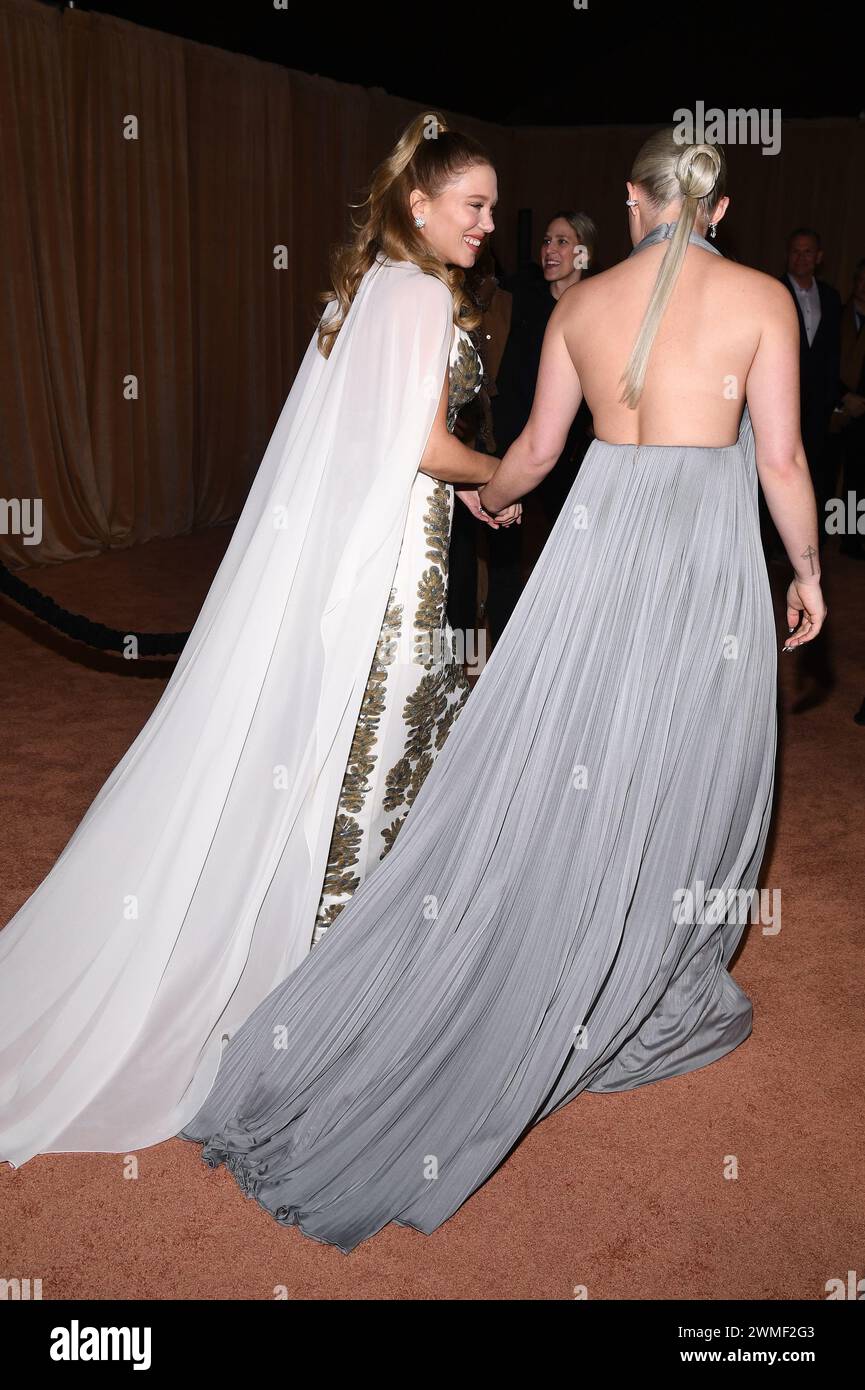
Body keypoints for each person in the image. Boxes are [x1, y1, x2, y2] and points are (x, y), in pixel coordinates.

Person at [178, 129, 826, 1254]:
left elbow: (529, 452)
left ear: (632, 200)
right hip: (704, 560)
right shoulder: (764, 299)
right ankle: (647, 965)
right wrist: (810, 571)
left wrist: (489, 501)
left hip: (596, 547)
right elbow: (777, 460)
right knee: (687, 757)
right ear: (715, 211)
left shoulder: (581, 310)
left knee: (575, 745)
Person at [0, 111, 519, 1168]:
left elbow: (379, 438)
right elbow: (419, 442)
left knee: (335, 752)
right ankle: (340, 973)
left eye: (494, 208)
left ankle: (327, 947)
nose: (488, 223)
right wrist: (499, 479)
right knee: (374, 753)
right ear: (420, 204)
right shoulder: (417, 291)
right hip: (393, 569)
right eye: (473, 205)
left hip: (370, 539)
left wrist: (455, 488)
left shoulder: (374, 281)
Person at [485, 212, 598, 645]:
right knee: (503, 553)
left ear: (584, 252)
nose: (550, 250)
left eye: (563, 242)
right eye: (547, 241)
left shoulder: (598, 304)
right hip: (514, 443)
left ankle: (566, 646)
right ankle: (504, 654)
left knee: (572, 552)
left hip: (571, 452)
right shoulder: (520, 297)